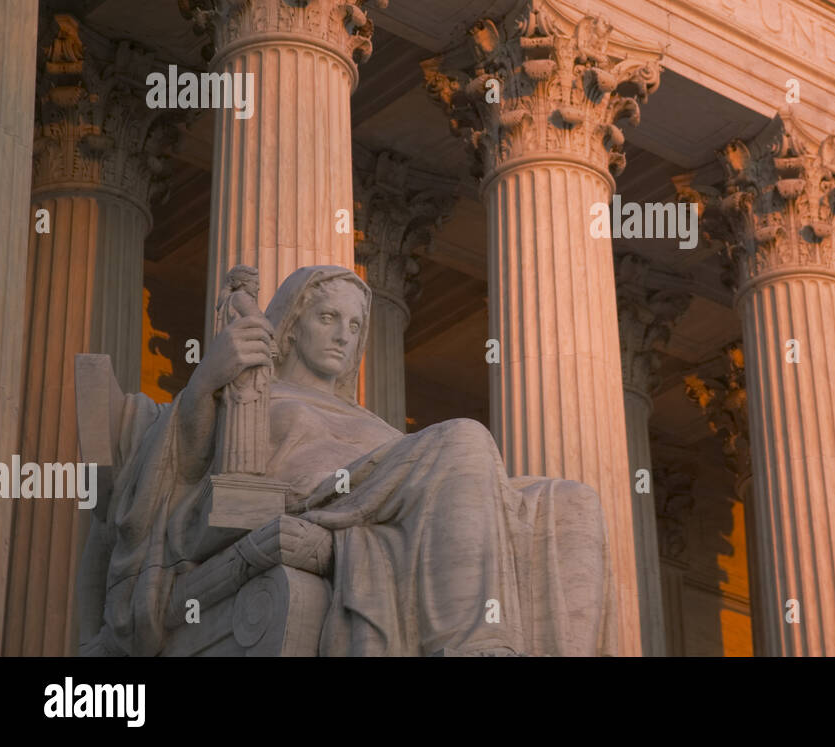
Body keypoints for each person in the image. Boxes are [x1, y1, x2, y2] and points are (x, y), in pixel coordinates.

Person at [81, 265, 616, 656]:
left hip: (384, 504)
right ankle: (475, 646)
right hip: (319, 501)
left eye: (355, 325)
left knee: (571, 502)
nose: (343, 334)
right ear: (291, 325)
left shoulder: (374, 426)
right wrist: (205, 381)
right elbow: (182, 477)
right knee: (465, 439)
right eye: (329, 317)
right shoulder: (249, 392)